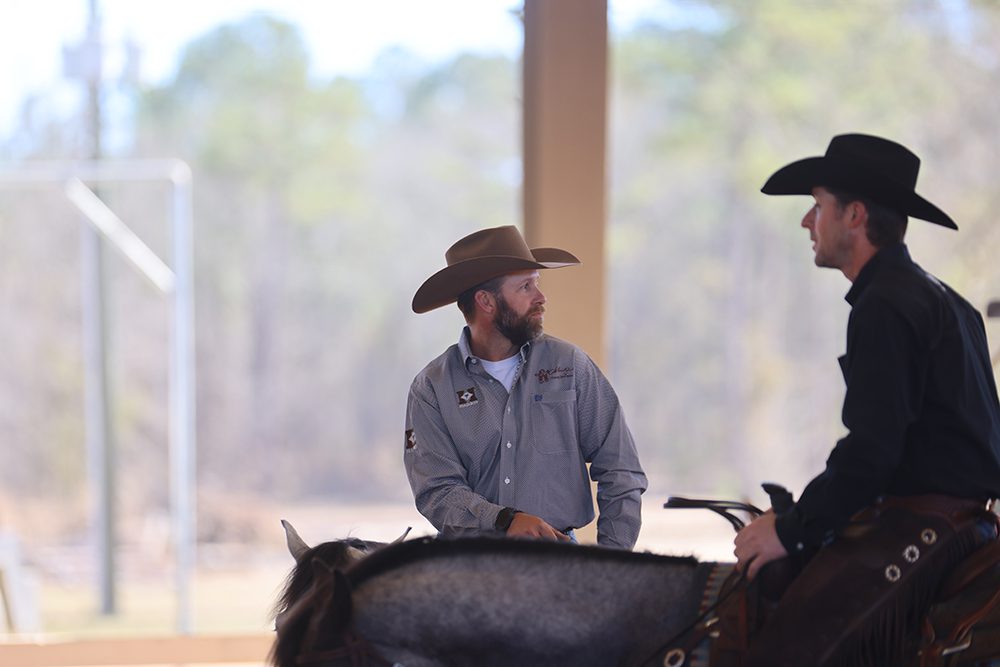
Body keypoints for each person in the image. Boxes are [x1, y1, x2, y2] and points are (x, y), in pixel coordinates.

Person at [733, 133, 1000, 665]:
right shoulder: (945, 299)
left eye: (817, 207)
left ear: (854, 215)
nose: (807, 222)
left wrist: (790, 529)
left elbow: (873, 451)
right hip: (966, 525)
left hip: (925, 525)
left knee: (785, 646)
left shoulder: (886, 304)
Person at [404, 225, 647, 549]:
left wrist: (611, 562)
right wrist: (504, 520)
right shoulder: (431, 388)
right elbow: (437, 491)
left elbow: (622, 472)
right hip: (467, 566)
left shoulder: (570, 366)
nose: (541, 297)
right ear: (486, 302)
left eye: (537, 284)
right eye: (525, 287)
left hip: (560, 560)